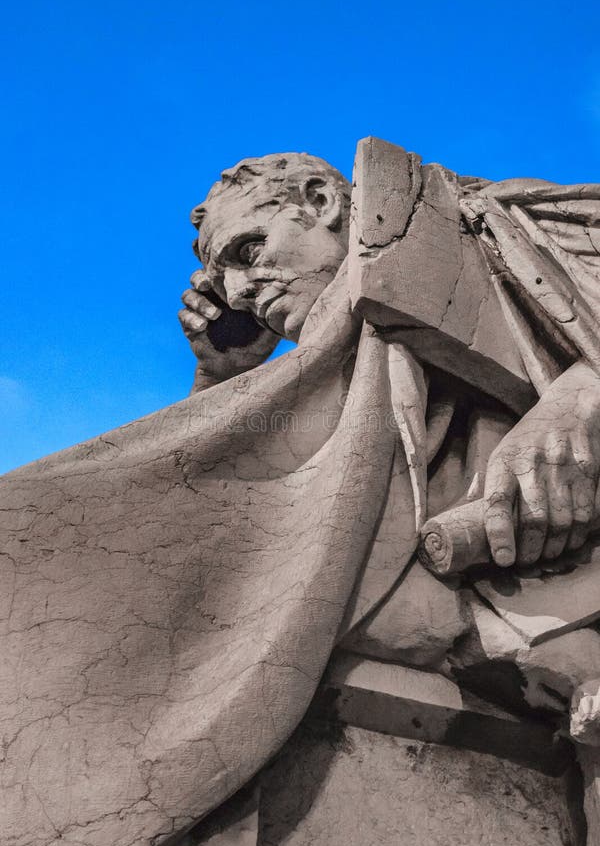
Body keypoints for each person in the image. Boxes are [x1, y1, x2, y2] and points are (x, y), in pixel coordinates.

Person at [180, 151, 600, 575]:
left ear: (321, 202)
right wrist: (220, 377)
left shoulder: (504, 224)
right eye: (222, 284)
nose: (237, 294)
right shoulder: (334, 383)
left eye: (249, 250)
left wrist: (580, 400)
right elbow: (215, 532)